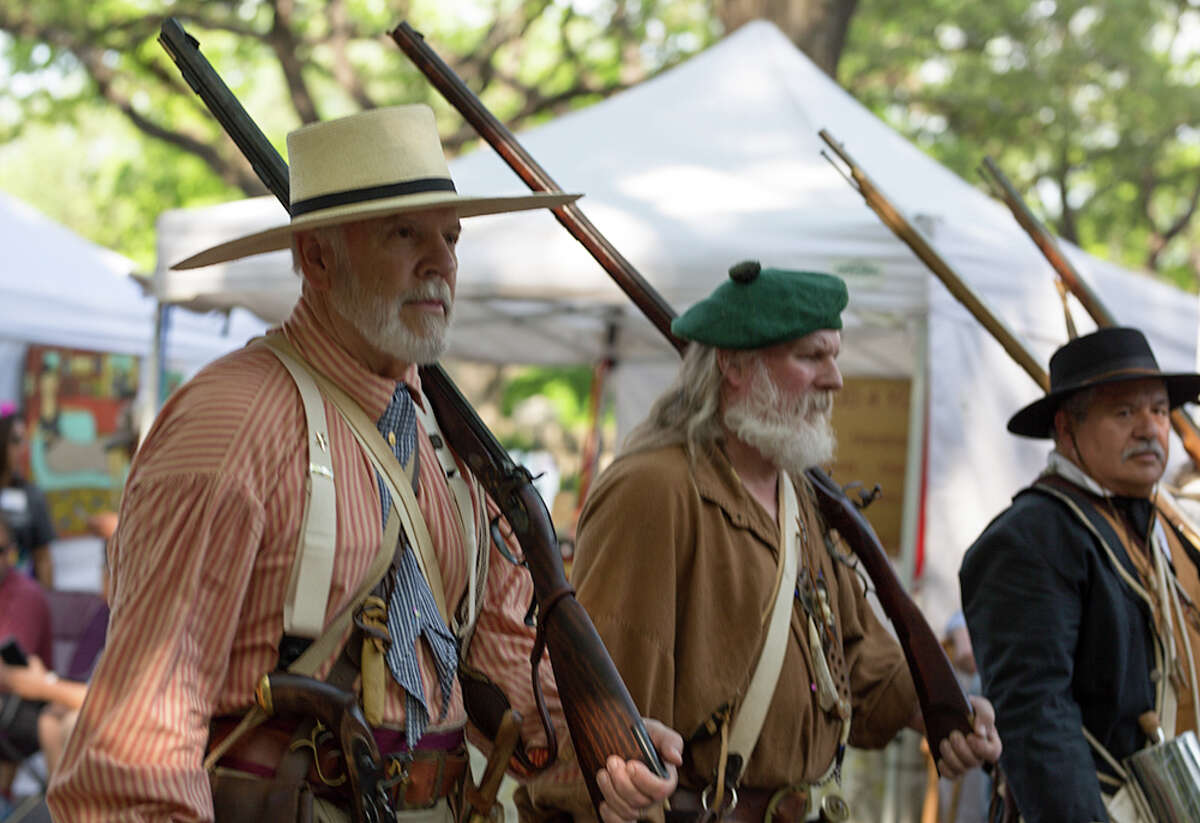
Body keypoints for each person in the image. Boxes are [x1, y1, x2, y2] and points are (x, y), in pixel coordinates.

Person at [48, 105, 681, 822]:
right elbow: (141, 733)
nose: (440, 261)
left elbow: (499, 653)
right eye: (403, 234)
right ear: (317, 258)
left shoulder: (446, 430)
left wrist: (602, 738)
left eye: (450, 236)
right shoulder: (230, 421)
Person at [520, 262, 1001, 822]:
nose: (835, 379)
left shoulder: (798, 492)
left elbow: (853, 655)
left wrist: (937, 707)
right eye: (810, 357)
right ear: (733, 365)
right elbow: (610, 707)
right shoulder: (654, 489)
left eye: (834, 356)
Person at [960, 326, 1200, 822]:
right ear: (1067, 430)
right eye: (1124, 411)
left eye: (1158, 410)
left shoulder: (1166, 526)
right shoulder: (1029, 539)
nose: (1150, 428)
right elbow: (1036, 720)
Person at [0, 411, 56, 588]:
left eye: (25, 441)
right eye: (15, 441)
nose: (22, 449)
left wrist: (46, 604)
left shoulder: (32, 495)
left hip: (19, 603)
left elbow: (43, 559)